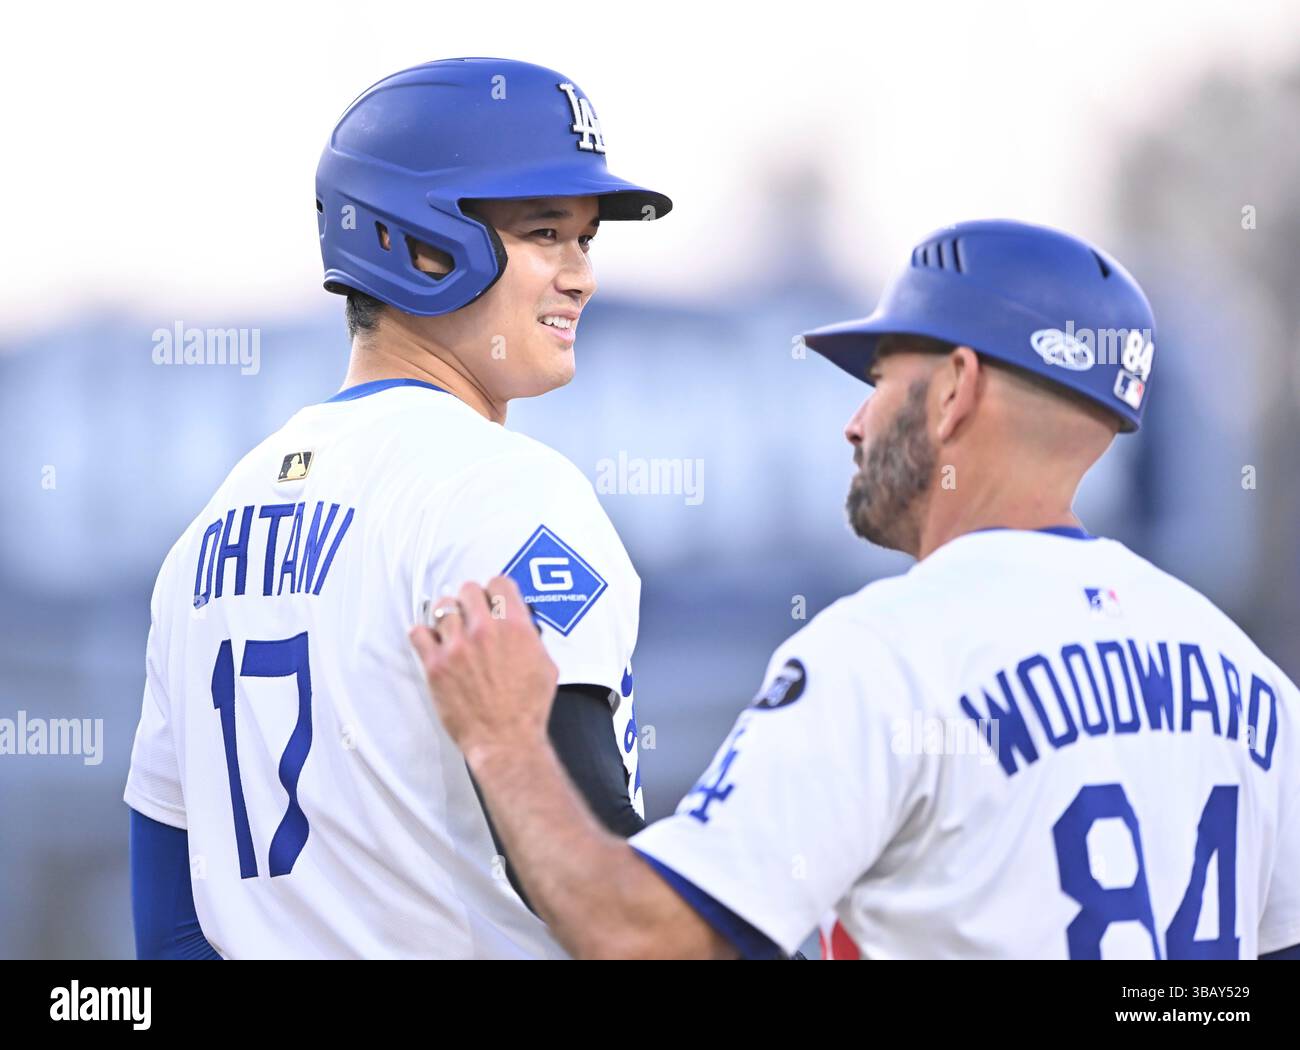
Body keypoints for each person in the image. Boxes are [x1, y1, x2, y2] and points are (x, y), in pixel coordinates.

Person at [412, 220, 1300, 960]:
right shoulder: (1251, 681)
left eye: (880, 381)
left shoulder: (887, 655)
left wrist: (503, 741)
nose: (855, 420)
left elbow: (638, 935)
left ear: (956, 389)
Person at [123, 57, 670, 959]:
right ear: (419, 247)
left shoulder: (205, 537)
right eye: (544, 232)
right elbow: (591, 866)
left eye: (585, 239)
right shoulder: (504, 490)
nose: (581, 277)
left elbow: (172, 930)